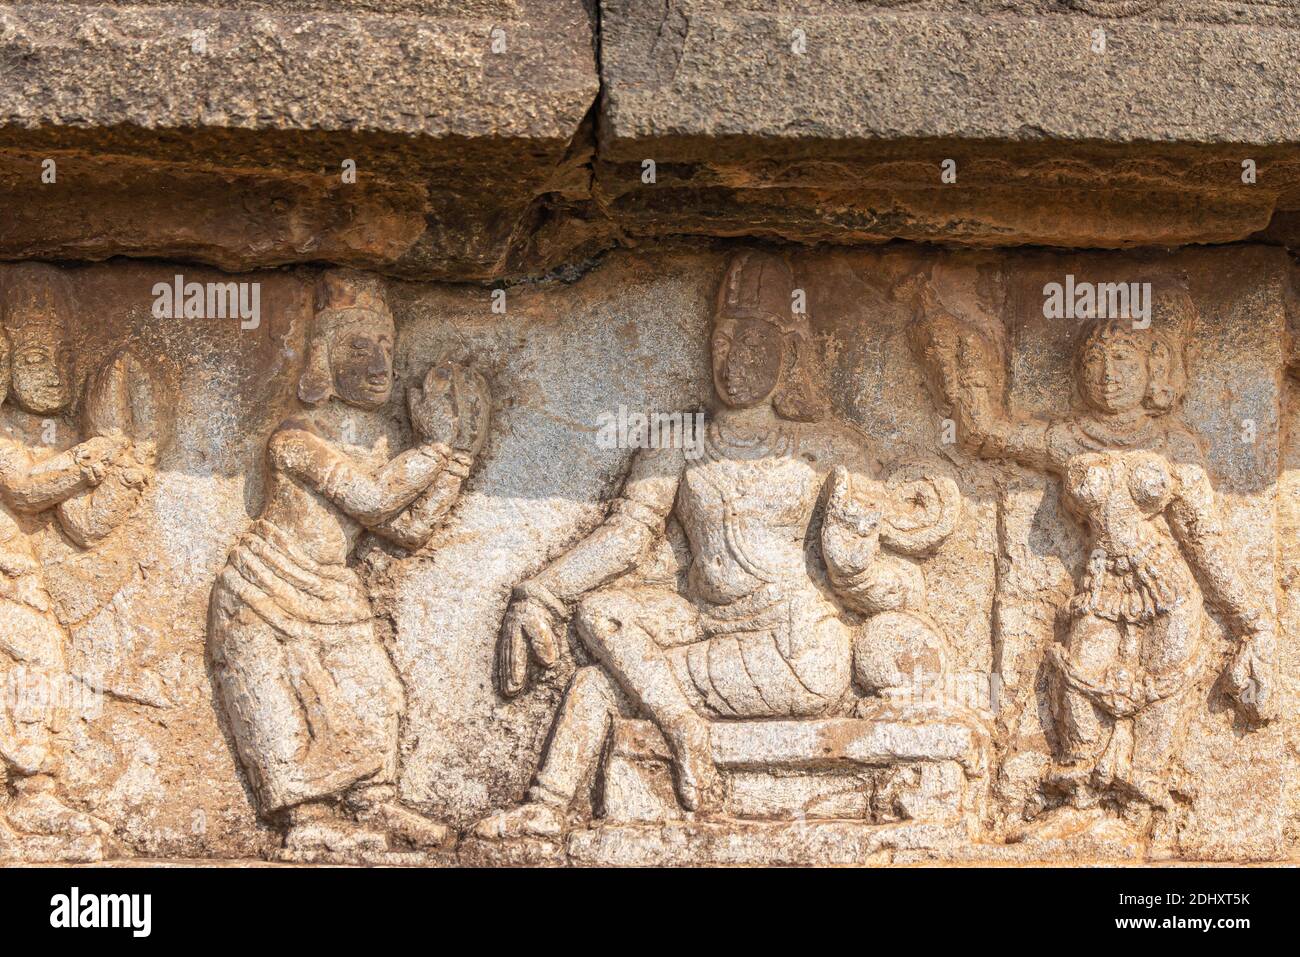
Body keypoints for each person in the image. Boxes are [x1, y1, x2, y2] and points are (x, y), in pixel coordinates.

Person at [912, 282, 1275, 837]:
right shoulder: (1071, 440)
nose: (1107, 374)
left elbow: (1204, 540)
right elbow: (990, 435)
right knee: (1079, 688)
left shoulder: (1173, 447)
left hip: (1171, 594)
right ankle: (1081, 803)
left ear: (1153, 370)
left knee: (1159, 698)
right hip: (1100, 586)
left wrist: (1250, 626)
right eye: (1094, 360)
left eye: (1122, 359)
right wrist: (958, 357)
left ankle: (1146, 810)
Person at [208, 270, 490, 856]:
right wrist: (436, 447)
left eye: (387, 346)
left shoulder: (374, 452)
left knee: (376, 692)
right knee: (282, 712)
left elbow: (405, 529)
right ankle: (306, 816)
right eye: (360, 347)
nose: (381, 362)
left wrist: (460, 458)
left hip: (332, 592)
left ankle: (372, 799)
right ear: (323, 359)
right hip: (265, 589)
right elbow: (373, 499)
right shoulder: (293, 439)